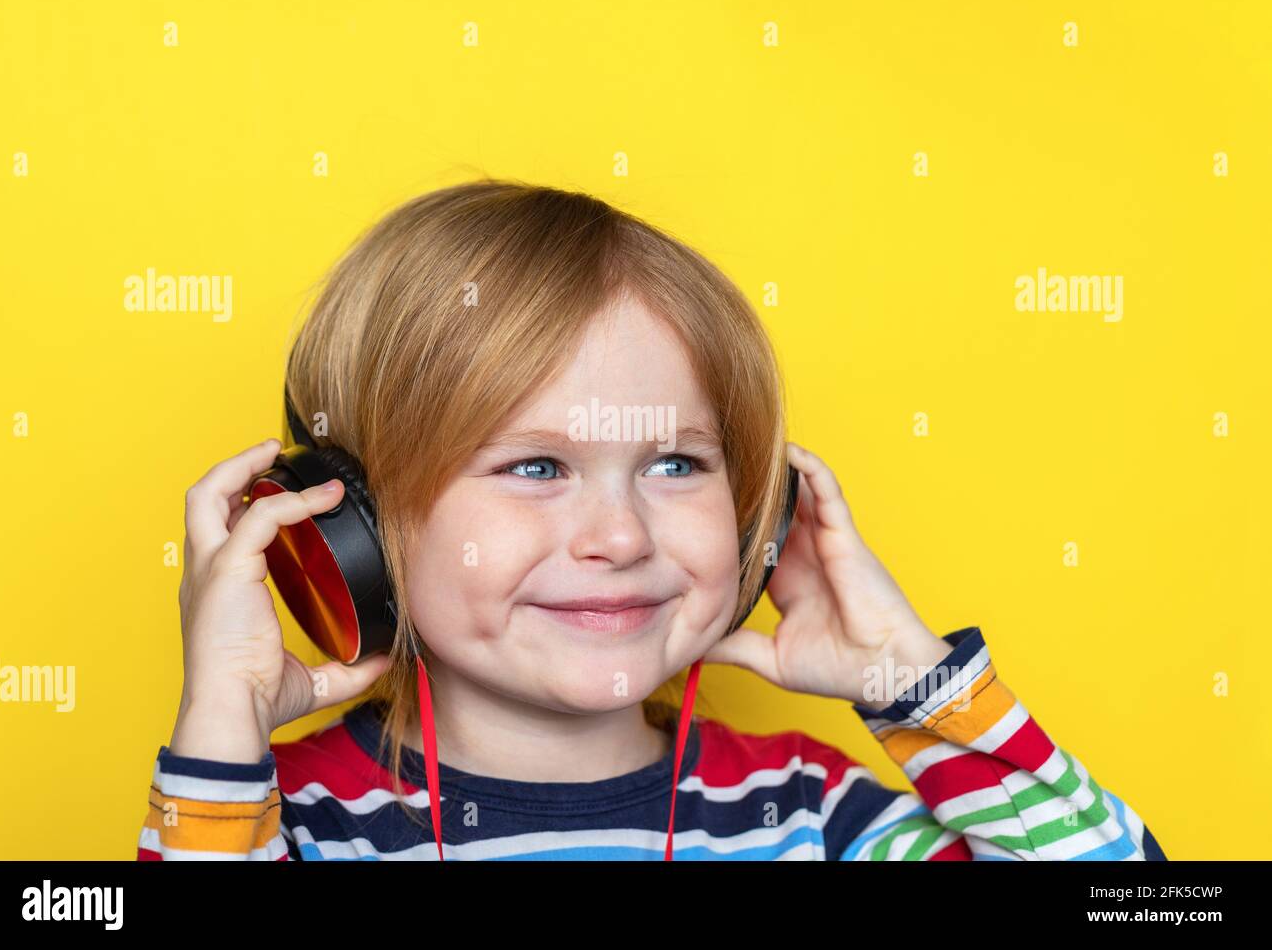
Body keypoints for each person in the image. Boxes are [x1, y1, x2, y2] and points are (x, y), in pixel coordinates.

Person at [139, 180, 1166, 860]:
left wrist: (912, 681)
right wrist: (222, 725)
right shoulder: (290, 823)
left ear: (760, 519)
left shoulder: (811, 816)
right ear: (350, 526)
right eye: (537, 464)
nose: (622, 536)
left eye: (675, 462)